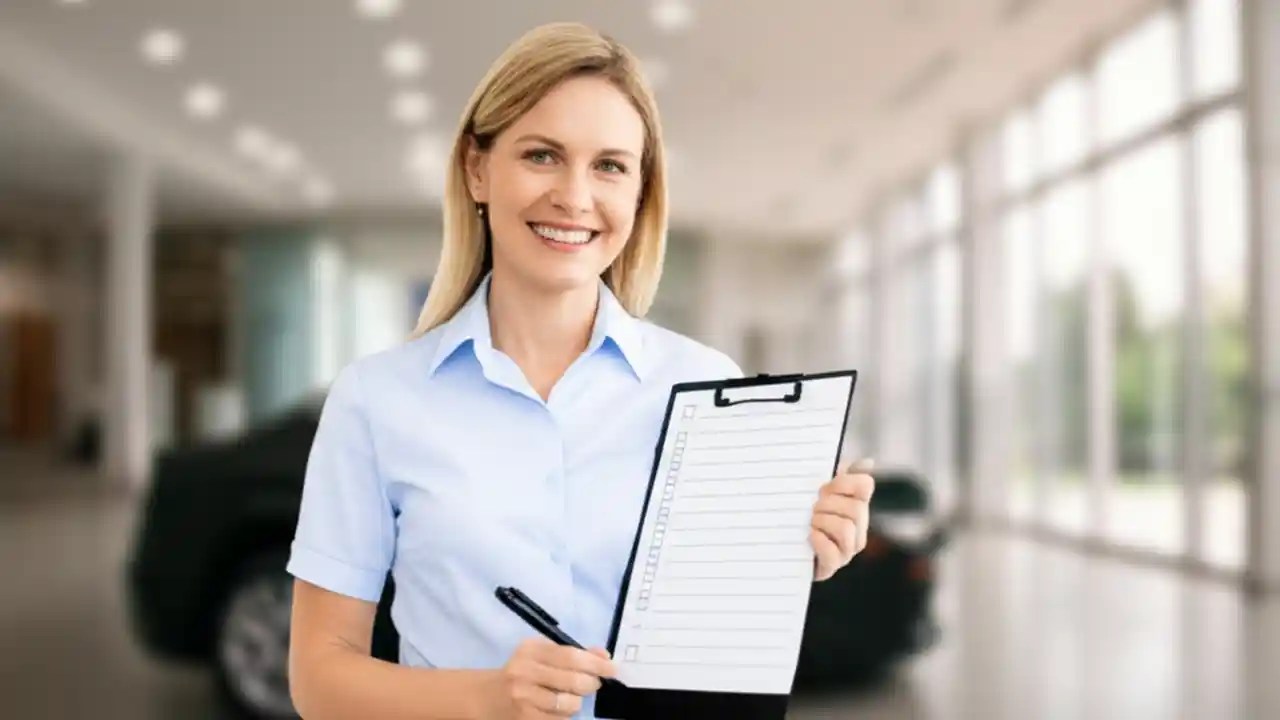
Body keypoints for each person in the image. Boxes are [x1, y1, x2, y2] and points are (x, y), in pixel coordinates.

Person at [286, 21, 876, 720]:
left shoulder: (708, 384)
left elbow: (720, 633)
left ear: (638, 191)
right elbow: (320, 678)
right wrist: (488, 697)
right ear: (478, 168)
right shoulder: (378, 400)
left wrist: (798, 550)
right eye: (542, 155)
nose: (575, 196)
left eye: (610, 166)